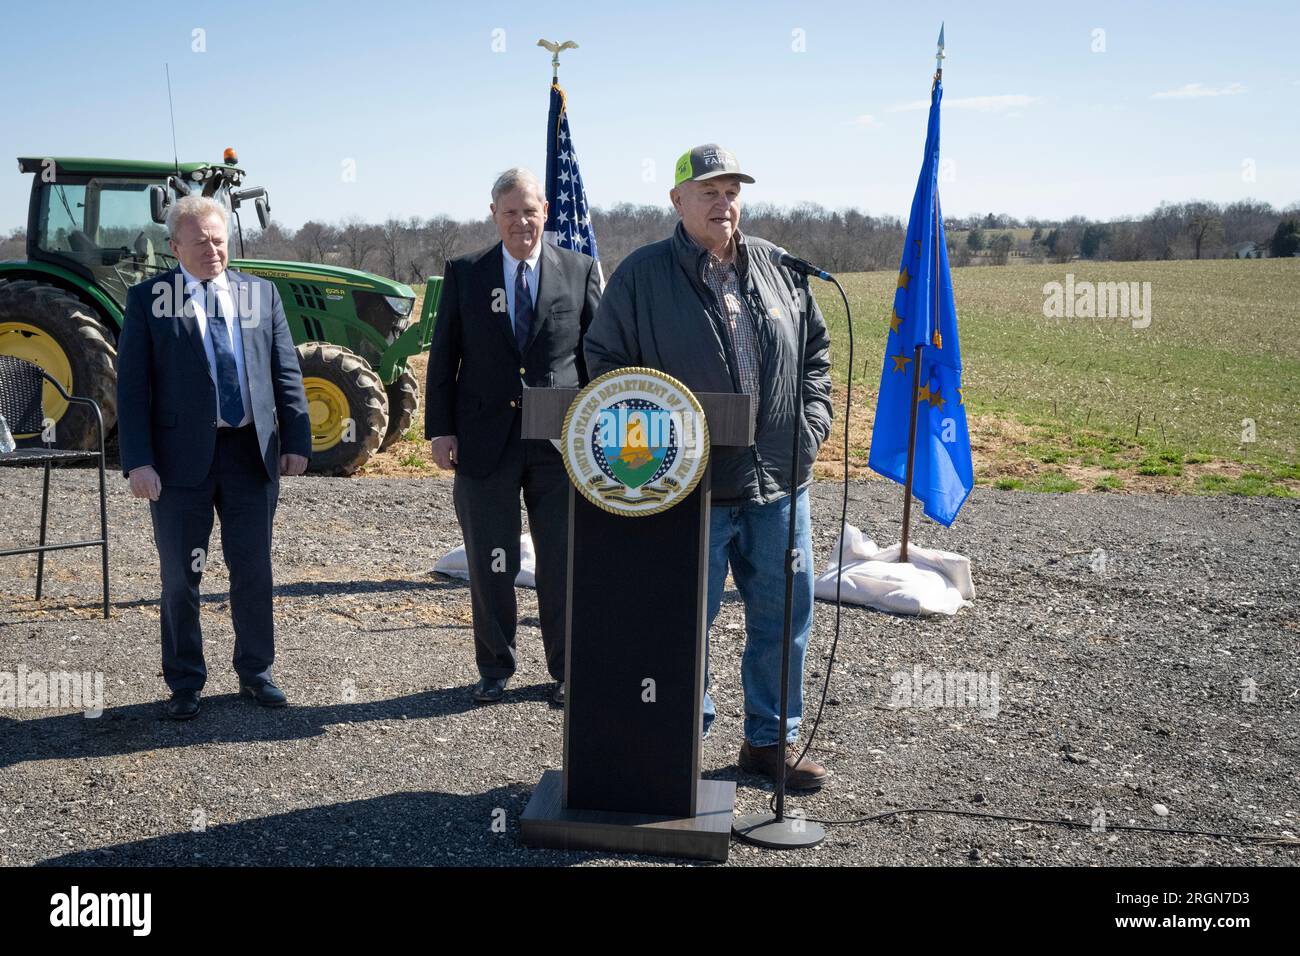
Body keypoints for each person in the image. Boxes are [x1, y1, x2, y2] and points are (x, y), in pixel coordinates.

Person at [583, 144, 833, 788]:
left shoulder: (781, 267)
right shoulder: (641, 278)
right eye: (708, 192)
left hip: (780, 481)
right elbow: (605, 363)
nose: (723, 204)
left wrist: (809, 428)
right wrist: (655, 448)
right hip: (688, 490)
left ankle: (769, 741)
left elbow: (816, 356)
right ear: (677, 201)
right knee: (680, 621)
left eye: (731, 192)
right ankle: (677, 738)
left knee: (783, 615)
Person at [116, 194, 312, 720]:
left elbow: (285, 372)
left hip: (251, 455)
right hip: (179, 464)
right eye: (200, 241)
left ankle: (256, 672)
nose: (213, 250)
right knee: (181, 574)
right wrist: (138, 461)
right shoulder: (148, 300)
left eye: (219, 239)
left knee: (253, 568)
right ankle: (185, 681)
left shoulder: (261, 294)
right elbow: (131, 391)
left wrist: (295, 441)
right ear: (174, 245)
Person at [425, 167, 602, 706]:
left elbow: (596, 358)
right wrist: (440, 430)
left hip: (560, 443)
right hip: (484, 440)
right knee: (490, 558)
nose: (521, 221)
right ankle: (495, 666)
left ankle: (568, 670)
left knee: (563, 561)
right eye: (510, 212)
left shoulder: (580, 270)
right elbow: (444, 357)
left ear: (545, 212)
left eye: (530, 211)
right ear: (494, 215)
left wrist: (599, 435)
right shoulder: (465, 272)